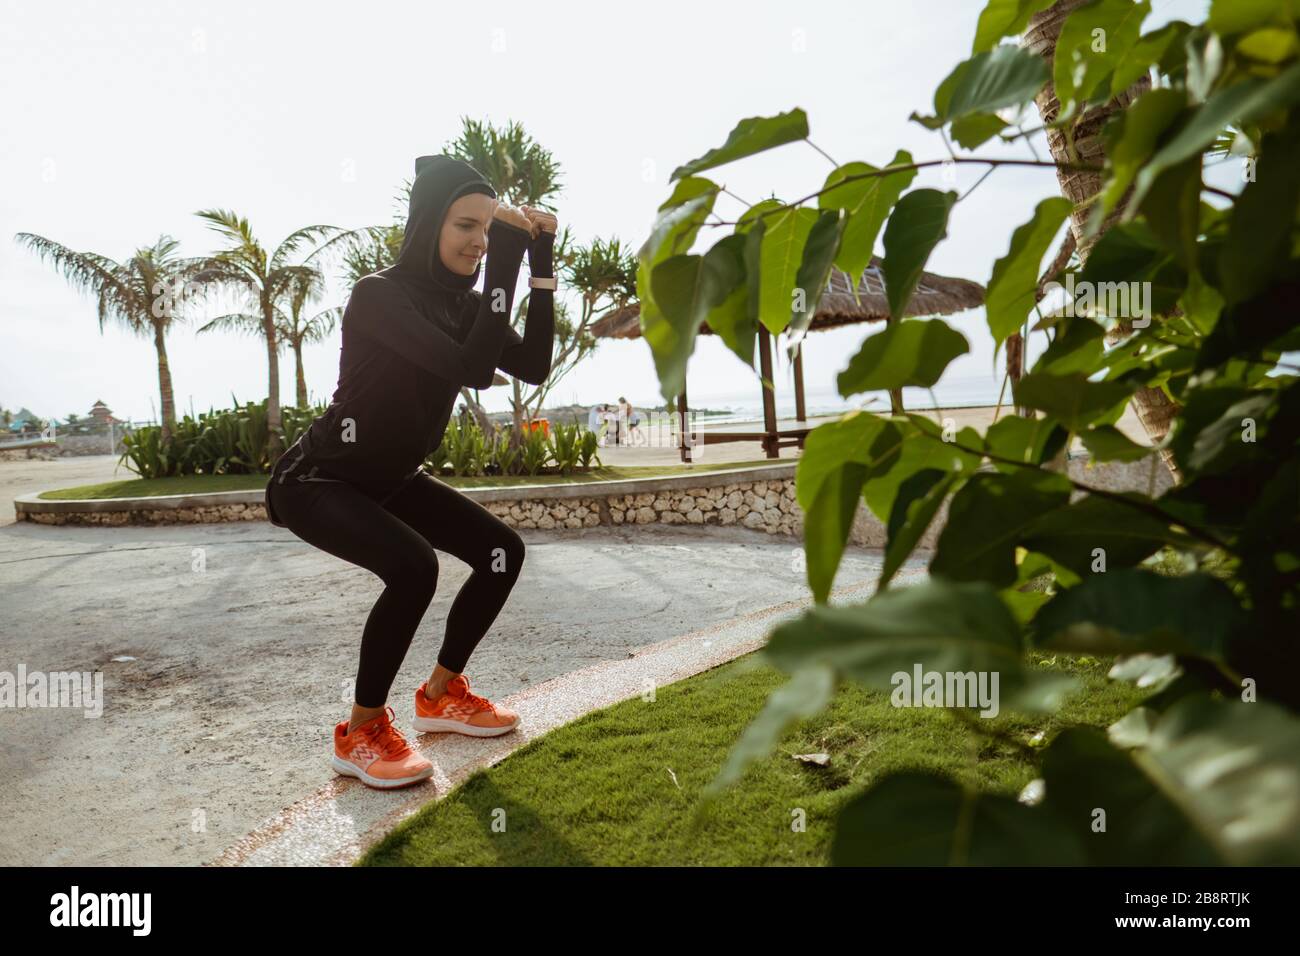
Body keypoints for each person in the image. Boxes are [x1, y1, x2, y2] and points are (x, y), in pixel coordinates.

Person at [264, 154, 557, 789]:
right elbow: (473, 368)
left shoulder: (464, 305)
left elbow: (532, 363)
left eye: (487, 229)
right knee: (413, 565)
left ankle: (441, 694)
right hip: (318, 479)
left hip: (392, 475)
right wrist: (508, 246)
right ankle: (361, 732)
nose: (479, 241)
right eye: (467, 225)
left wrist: (541, 261)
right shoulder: (380, 296)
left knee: (501, 552)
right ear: (428, 224)